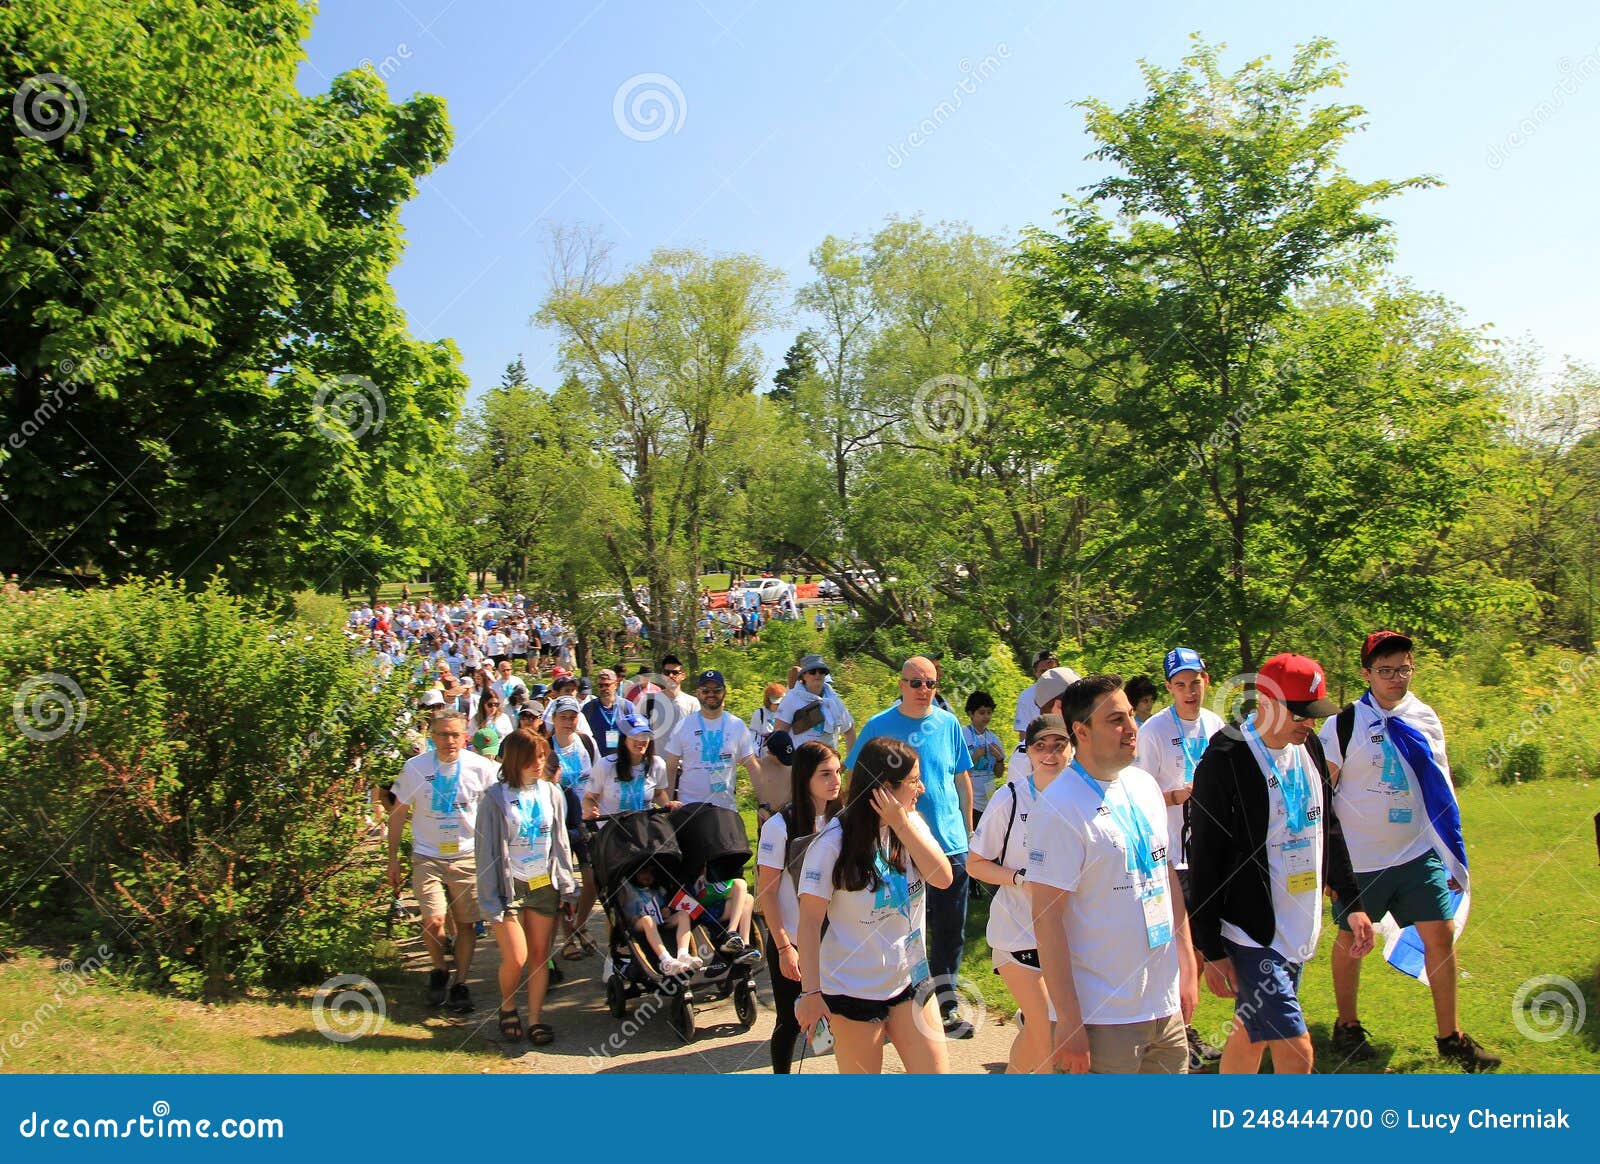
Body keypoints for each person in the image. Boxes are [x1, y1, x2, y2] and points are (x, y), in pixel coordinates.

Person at [1319, 631, 1498, 1071]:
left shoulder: (1424, 717)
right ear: (1366, 674)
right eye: (1385, 670)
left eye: (1403, 668)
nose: (1396, 678)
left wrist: (1449, 853)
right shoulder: (1342, 725)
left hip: (1417, 855)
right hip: (1361, 862)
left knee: (1441, 936)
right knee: (1351, 940)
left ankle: (1450, 1037)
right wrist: (1328, 868)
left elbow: (1440, 790)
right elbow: (1322, 801)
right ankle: (1347, 1027)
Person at [1188, 653, 1374, 1075]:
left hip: (1298, 923)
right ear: (1266, 702)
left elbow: (1328, 827)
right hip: (1253, 932)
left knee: (1251, 1034)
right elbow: (1205, 859)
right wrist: (1211, 948)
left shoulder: (1306, 745)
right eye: (1300, 713)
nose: (1309, 723)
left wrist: (1352, 899)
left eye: (1314, 714)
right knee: (1296, 1047)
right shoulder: (1225, 760)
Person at [1028, 676, 1197, 1074]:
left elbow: (1166, 873)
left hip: (1163, 1006)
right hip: (1102, 1016)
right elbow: (1047, 919)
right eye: (1116, 720)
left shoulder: (1144, 786)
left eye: (1129, 716)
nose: (1131, 727)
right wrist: (1069, 1022)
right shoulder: (1060, 807)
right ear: (1082, 732)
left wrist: (1187, 961)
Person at [796, 737, 954, 1074]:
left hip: (910, 978)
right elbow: (809, 923)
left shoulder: (910, 824)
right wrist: (810, 993)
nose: (921, 789)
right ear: (884, 788)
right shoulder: (831, 844)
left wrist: (901, 824)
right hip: (853, 990)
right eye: (913, 781)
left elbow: (943, 878)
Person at [846, 656, 975, 1038]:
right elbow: (857, 782)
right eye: (916, 683)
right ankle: (895, 1005)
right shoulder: (879, 726)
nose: (924, 691)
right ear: (900, 684)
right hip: (895, 845)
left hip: (948, 844)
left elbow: (961, 778)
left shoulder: (948, 723)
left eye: (931, 684)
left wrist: (968, 832)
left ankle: (945, 1006)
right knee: (901, 926)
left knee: (950, 929)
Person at [1134, 646, 1226, 1069]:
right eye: (1180, 685)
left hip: (1211, 850)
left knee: (1202, 946)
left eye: (1196, 682)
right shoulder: (1152, 731)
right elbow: (1139, 791)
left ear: (1206, 680)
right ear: (1169, 688)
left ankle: (1184, 1022)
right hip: (1170, 853)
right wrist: (1178, 796)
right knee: (1171, 942)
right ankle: (1169, 1027)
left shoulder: (1217, 725)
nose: (1190, 692)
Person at [968, 714, 1070, 1073]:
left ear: (1073, 747)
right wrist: (1018, 878)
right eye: (1041, 746)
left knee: (1043, 1032)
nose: (1050, 754)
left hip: (1068, 935)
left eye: (1060, 745)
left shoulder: (1087, 798)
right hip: (1018, 933)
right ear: (1027, 752)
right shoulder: (1009, 799)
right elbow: (975, 863)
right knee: (1048, 1033)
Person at [387, 710, 498, 1013]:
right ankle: (439, 969)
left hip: (467, 856)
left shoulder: (481, 768)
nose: (449, 741)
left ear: (465, 737)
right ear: (431, 736)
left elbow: (498, 810)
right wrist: (392, 859)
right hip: (428, 855)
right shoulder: (415, 768)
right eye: (442, 735)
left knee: (466, 924)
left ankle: (461, 983)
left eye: (455, 735)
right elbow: (398, 814)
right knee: (433, 919)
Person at [475, 729, 576, 1046]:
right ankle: (507, 1006)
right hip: (509, 886)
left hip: (544, 883)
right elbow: (486, 852)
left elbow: (561, 844)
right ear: (516, 760)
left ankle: (535, 1018)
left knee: (538, 956)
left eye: (542, 757)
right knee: (516, 958)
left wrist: (567, 886)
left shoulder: (552, 794)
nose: (538, 764)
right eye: (532, 759)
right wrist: (489, 899)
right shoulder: (494, 797)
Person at [756, 741, 843, 1073]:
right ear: (805, 777)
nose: (835, 780)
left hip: (835, 941)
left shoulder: (843, 820)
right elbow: (767, 891)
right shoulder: (779, 827)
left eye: (837, 772)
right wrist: (782, 946)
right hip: (791, 939)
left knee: (844, 1017)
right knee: (791, 1022)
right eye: (825, 774)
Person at [664, 670, 760, 812]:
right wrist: (668, 803)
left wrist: (763, 803)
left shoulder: (736, 725)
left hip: (725, 810)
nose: (711, 694)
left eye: (716, 690)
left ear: (724, 692)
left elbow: (752, 766)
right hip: (689, 808)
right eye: (705, 690)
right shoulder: (684, 725)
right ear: (698, 693)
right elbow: (670, 767)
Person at [582, 713, 671, 818]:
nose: (640, 741)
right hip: (612, 830)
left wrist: (668, 807)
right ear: (624, 739)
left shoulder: (657, 764)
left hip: (644, 829)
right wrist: (590, 810)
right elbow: (589, 798)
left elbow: (658, 794)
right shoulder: (604, 765)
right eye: (635, 736)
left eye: (644, 736)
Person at [619, 863, 701, 975]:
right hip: (637, 922)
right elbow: (619, 905)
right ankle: (666, 960)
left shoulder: (658, 890)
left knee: (683, 914)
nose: (647, 876)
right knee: (648, 919)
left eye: (651, 873)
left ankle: (683, 954)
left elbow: (663, 907)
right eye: (643, 872)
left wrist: (666, 911)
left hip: (659, 921)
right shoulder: (627, 888)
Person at [775, 654, 856, 757]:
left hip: (829, 764)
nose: (817, 674)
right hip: (801, 764)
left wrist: (848, 763)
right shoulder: (792, 698)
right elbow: (779, 734)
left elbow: (849, 730)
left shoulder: (834, 700)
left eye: (821, 671)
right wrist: (786, 764)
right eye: (813, 672)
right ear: (803, 676)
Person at [962, 691, 1004, 826]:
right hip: (969, 796)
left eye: (989, 712)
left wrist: (999, 759)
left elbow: (999, 774)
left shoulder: (993, 738)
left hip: (988, 794)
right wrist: (974, 757)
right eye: (981, 712)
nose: (986, 716)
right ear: (970, 713)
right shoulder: (963, 735)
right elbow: (955, 769)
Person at [580, 668, 635, 760]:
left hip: (623, 760)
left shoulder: (627, 707)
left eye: (607, 685)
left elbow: (636, 732)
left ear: (616, 685)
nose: (603, 688)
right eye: (600, 685)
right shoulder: (589, 708)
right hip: (599, 760)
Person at [1014, 650, 1059, 746]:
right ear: (1035, 672)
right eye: (1043, 671)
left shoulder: (1068, 692)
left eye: (1052, 670)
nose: (1048, 675)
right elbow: (1024, 734)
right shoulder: (1026, 696)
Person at [469, 690, 513, 757]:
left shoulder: (504, 717)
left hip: (500, 753)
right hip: (481, 753)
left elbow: (509, 737)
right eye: (490, 705)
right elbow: (471, 738)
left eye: (496, 704)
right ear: (483, 704)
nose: (493, 708)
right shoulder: (476, 719)